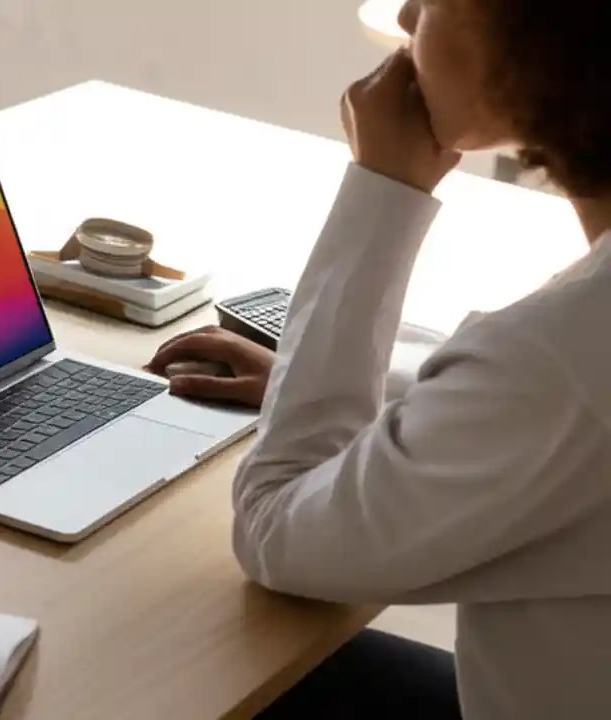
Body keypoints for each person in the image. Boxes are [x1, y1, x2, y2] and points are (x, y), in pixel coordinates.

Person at [147, 1, 611, 718]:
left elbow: (274, 531)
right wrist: (322, 379)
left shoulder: (559, 363)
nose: (406, 12)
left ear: (545, 39)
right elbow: (533, 417)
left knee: (176, 670)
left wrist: (382, 190)